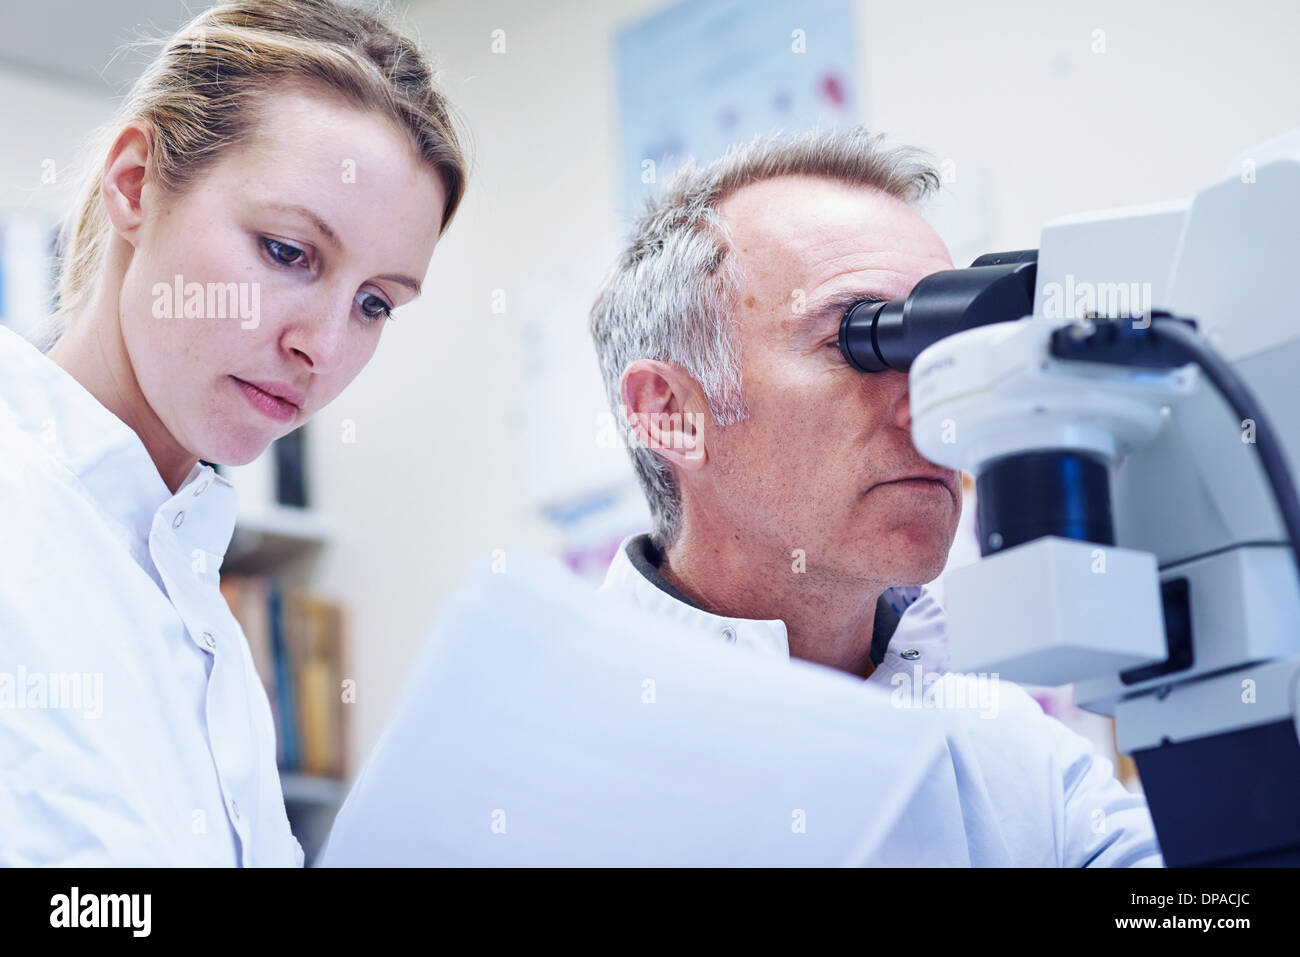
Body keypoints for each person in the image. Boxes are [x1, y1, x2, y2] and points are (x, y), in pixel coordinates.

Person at [588, 128, 1164, 866]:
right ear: (671, 411)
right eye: (860, 340)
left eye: (944, 351)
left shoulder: (1012, 751)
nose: (933, 404)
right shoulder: (538, 746)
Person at [0, 0, 466, 865]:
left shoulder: (199, 610)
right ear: (135, 182)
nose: (322, 348)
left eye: (375, 304)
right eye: (288, 252)